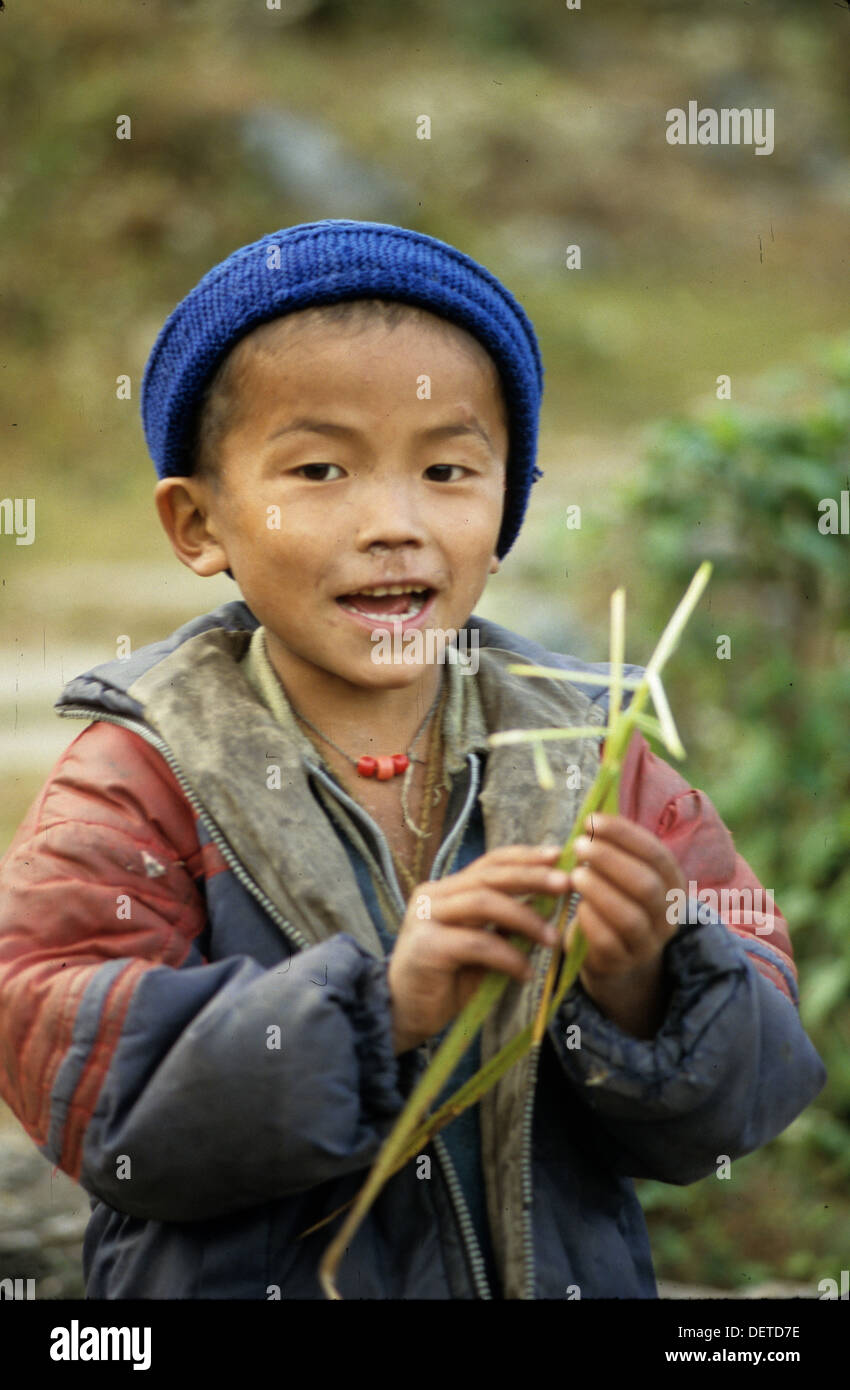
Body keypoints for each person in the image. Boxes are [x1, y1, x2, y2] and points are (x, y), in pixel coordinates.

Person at [0, 219, 826, 1299]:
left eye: (446, 468)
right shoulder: (149, 771)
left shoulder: (592, 756)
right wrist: (376, 1011)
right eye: (321, 468)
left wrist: (642, 983)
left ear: (503, 512)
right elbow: (69, 1066)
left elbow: (744, 1099)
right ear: (198, 522)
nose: (393, 522)